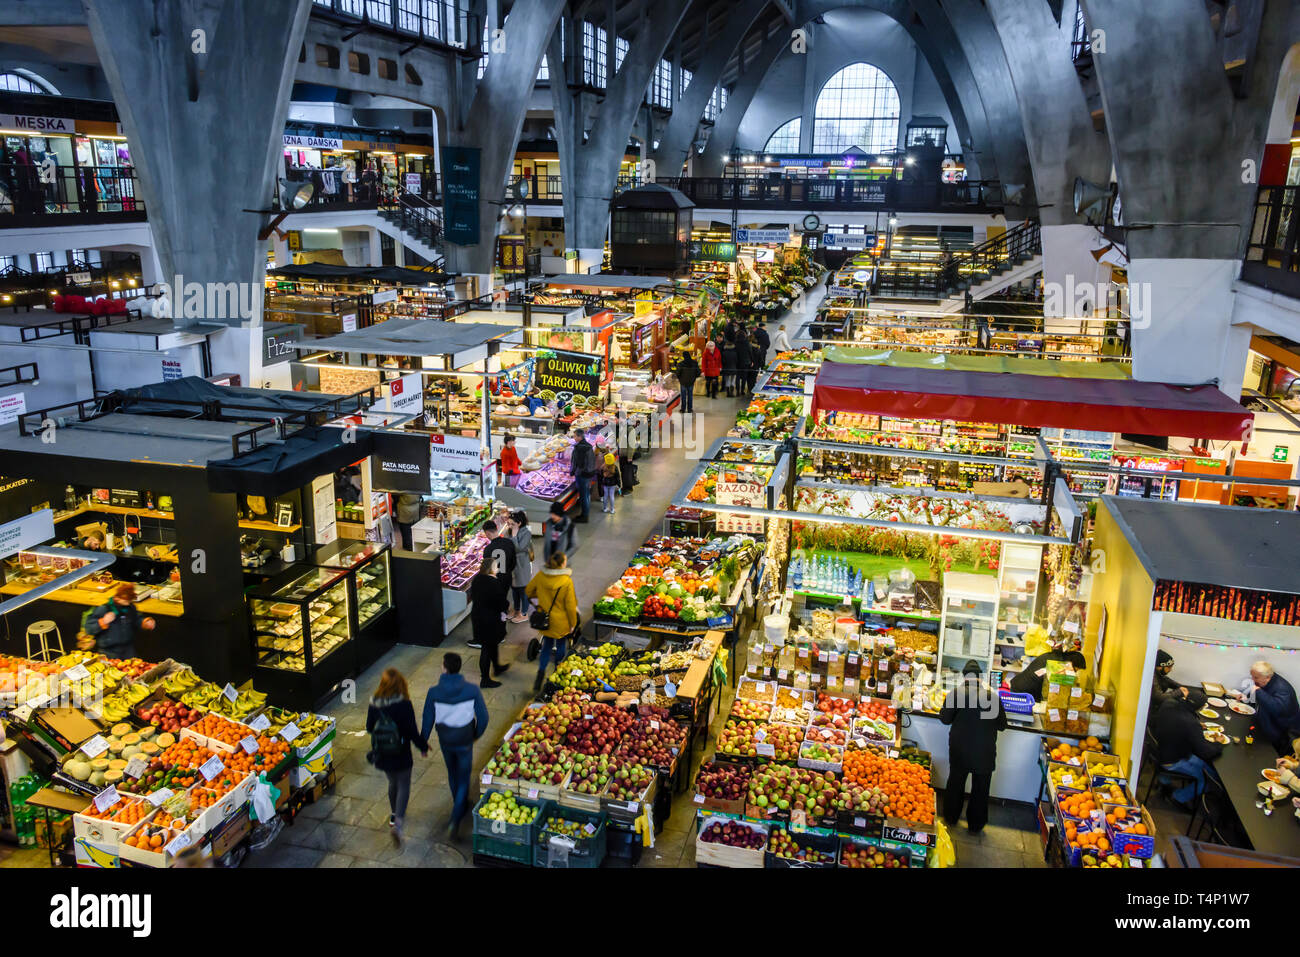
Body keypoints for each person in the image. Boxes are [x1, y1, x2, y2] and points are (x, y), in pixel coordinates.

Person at [420, 652, 489, 842]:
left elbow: (427, 719)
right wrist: (476, 734)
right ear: (459, 668)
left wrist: (423, 742)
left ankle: (459, 805)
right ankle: (455, 818)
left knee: (452, 773)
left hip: (446, 740)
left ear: (444, 667)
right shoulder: (472, 690)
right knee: (464, 776)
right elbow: (483, 718)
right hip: (465, 738)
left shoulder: (434, 692)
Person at [940, 660, 1007, 833]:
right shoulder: (992, 697)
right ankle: (976, 825)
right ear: (980, 678)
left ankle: (951, 817)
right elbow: (1002, 725)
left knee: (956, 782)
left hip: (959, 749)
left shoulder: (955, 694)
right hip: (984, 751)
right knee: (981, 788)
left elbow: (945, 719)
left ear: (964, 677)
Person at [365, 667, 428, 842]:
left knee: (392, 782)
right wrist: (422, 747)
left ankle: (393, 815)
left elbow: (369, 728)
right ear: (400, 684)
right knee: (404, 784)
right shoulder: (404, 704)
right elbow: (411, 731)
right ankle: (398, 822)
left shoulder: (374, 703)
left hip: (383, 752)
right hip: (401, 752)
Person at [1152, 688, 1223, 807]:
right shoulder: (1191, 723)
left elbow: (1177, 721)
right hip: (1172, 761)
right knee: (1210, 779)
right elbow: (1205, 752)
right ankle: (1178, 797)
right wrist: (1218, 743)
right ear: (1200, 708)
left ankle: (1164, 781)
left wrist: (1196, 726)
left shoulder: (1168, 703)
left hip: (1159, 750)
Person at [526, 552, 579, 693]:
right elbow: (570, 605)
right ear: (562, 564)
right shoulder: (566, 581)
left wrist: (542, 598)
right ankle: (557, 673)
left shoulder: (541, 576)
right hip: (561, 622)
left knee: (546, 645)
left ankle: (540, 675)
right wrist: (573, 623)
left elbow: (528, 591)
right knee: (561, 645)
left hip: (546, 619)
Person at [1231, 661, 1300, 755]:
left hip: (1280, 734)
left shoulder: (1283, 689)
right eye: (1252, 676)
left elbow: (1277, 710)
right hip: (1266, 726)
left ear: (1267, 677)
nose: (1253, 680)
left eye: (1256, 677)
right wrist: (1245, 698)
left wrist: (1259, 692)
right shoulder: (1265, 681)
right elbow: (1261, 696)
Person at [467, 555, 511, 687]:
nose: (497, 568)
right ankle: (485, 679)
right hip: (490, 620)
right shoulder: (494, 583)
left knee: (492, 645)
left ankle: (497, 667)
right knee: (487, 648)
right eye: (495, 567)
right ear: (490, 569)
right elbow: (501, 602)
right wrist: (506, 607)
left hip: (478, 617)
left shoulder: (477, 580)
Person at [82, 584, 155, 659]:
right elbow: (89, 628)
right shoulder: (103, 609)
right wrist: (103, 621)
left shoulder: (130, 607)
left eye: (129, 600)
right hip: (108, 651)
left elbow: (136, 619)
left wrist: (144, 622)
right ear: (117, 598)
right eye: (126, 600)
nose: (128, 603)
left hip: (128, 650)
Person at [1007, 636, 1086, 701]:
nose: (1073, 672)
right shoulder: (1058, 664)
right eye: (1075, 669)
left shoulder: (1056, 656)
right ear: (1071, 663)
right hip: (1024, 692)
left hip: (1020, 686)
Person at [508, 510, 532, 623]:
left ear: (519, 523)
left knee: (523, 590)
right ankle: (516, 610)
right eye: (509, 523)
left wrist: (513, 536)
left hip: (522, 565)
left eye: (513, 524)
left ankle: (524, 613)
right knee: (514, 589)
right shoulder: (511, 530)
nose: (510, 526)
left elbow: (519, 548)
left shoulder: (526, 533)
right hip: (512, 565)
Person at [480, 520, 516, 596]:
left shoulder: (488, 549)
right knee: (503, 597)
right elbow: (513, 563)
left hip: (494, 581)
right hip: (507, 578)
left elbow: (486, 570)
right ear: (496, 528)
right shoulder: (509, 542)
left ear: (488, 533)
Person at [569, 428, 597, 522]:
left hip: (582, 475)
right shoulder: (589, 446)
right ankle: (585, 512)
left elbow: (575, 462)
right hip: (589, 473)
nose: (574, 438)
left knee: (583, 495)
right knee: (586, 493)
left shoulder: (578, 448)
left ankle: (584, 516)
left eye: (574, 436)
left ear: (579, 437)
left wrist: (572, 472)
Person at [675, 348, 701, 414]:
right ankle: (690, 409)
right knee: (690, 396)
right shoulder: (694, 363)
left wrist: (680, 378)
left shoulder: (680, 364)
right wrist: (694, 377)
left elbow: (677, 373)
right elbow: (698, 372)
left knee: (683, 396)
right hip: (691, 382)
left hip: (683, 382)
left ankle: (683, 409)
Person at [734, 329, 753, 396]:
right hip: (746, 362)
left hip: (738, 362)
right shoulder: (747, 343)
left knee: (738, 377)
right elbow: (750, 352)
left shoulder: (735, 343)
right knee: (744, 377)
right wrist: (751, 361)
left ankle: (737, 391)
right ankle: (742, 391)